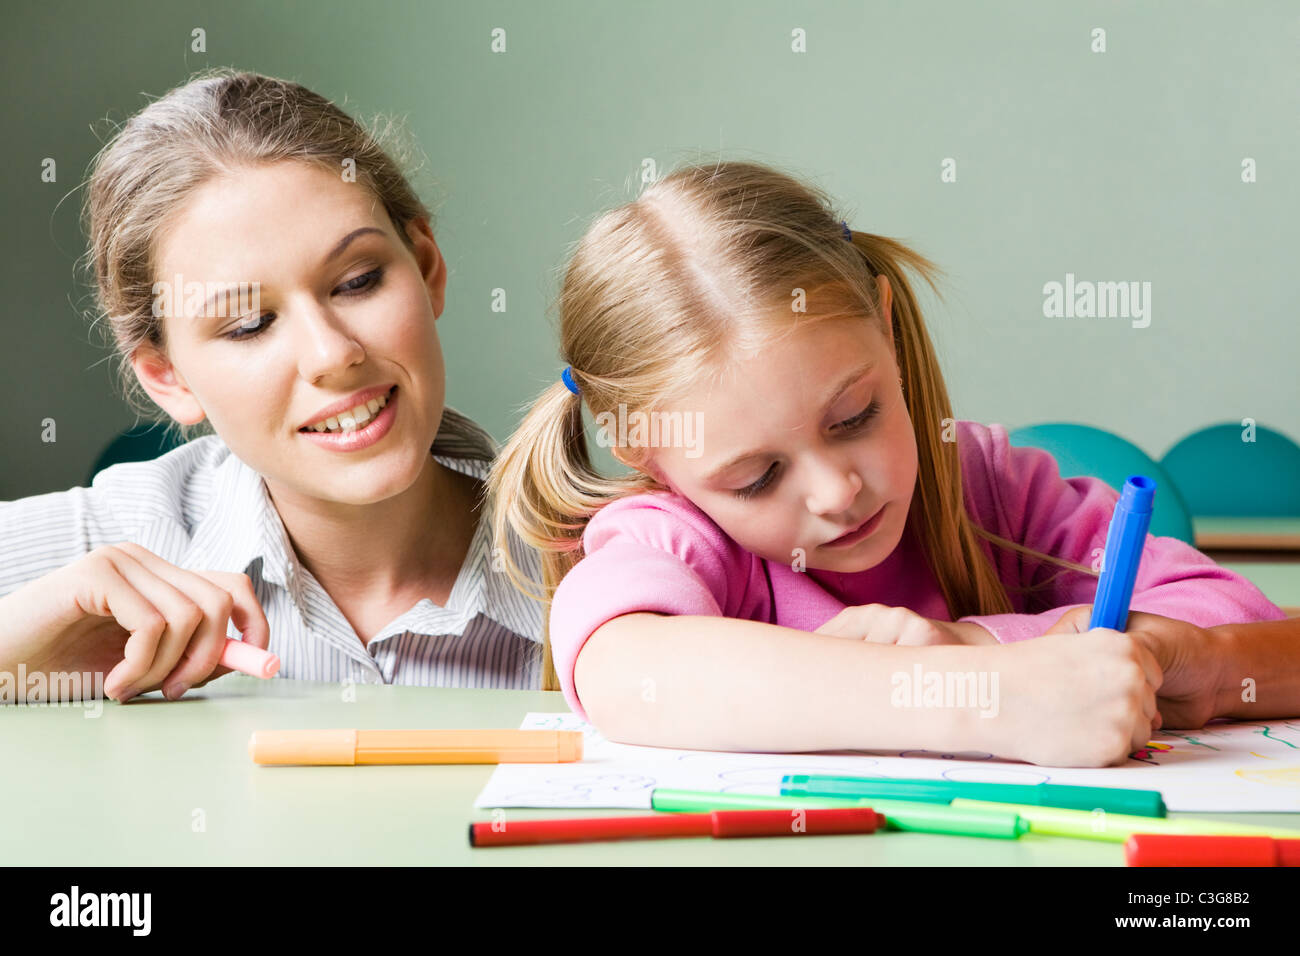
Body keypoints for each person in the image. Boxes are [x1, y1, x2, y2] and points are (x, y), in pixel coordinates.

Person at [486, 159, 1292, 767]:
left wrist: (975, 645)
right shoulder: (676, 537)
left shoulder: (991, 487)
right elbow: (626, 668)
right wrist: (982, 697)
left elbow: (1253, 629)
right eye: (757, 478)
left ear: (886, 322)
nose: (838, 491)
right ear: (645, 452)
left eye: (854, 417)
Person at [0, 69, 541, 704]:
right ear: (167, 377)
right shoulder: (105, 547)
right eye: (249, 325)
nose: (332, 353)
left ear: (426, 267)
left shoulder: (603, 554)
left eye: (358, 281)